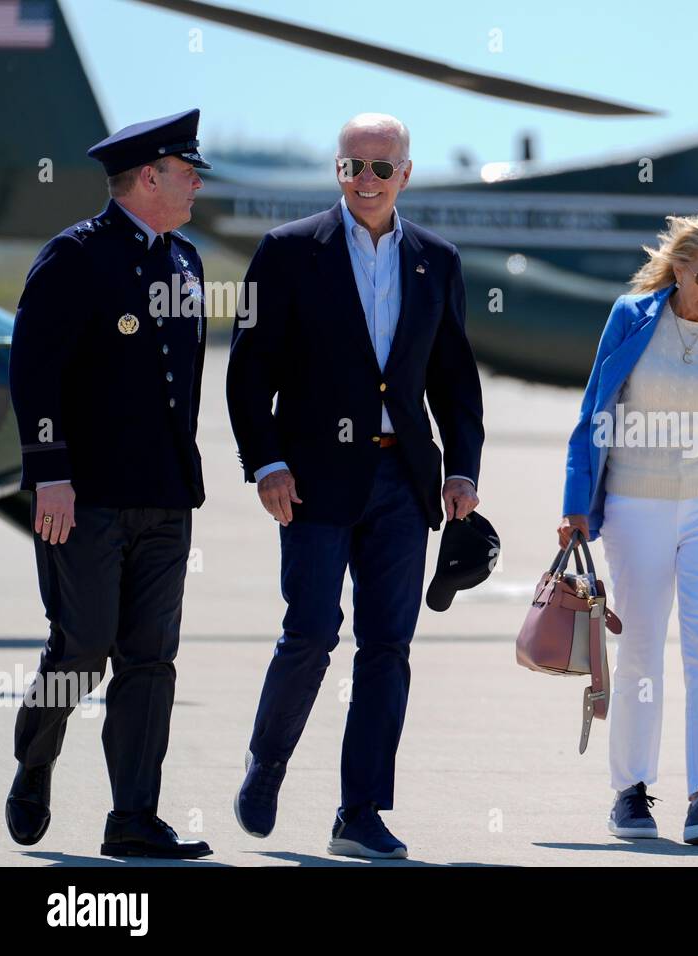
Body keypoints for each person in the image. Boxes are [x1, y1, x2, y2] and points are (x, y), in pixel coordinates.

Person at [225, 113, 484, 859]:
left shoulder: (438, 259)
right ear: (336, 171)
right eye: (351, 167)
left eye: (380, 167)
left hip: (404, 481)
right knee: (310, 632)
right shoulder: (285, 253)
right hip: (311, 478)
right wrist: (266, 463)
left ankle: (360, 811)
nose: (364, 180)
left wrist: (461, 467)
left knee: (387, 647)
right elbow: (250, 373)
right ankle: (268, 760)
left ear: (406, 173)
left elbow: (453, 377)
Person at [6, 109, 213, 858]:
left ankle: (133, 818)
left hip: (164, 497)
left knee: (150, 658)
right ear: (149, 176)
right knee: (81, 651)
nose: (197, 182)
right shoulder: (74, 257)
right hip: (83, 496)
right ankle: (36, 756)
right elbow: (34, 374)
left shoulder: (186, 262)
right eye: (188, 171)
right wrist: (49, 475)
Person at [560, 214, 698, 846]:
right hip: (637, 504)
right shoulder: (631, 317)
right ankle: (630, 793)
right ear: (679, 267)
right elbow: (592, 414)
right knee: (640, 650)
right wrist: (576, 503)